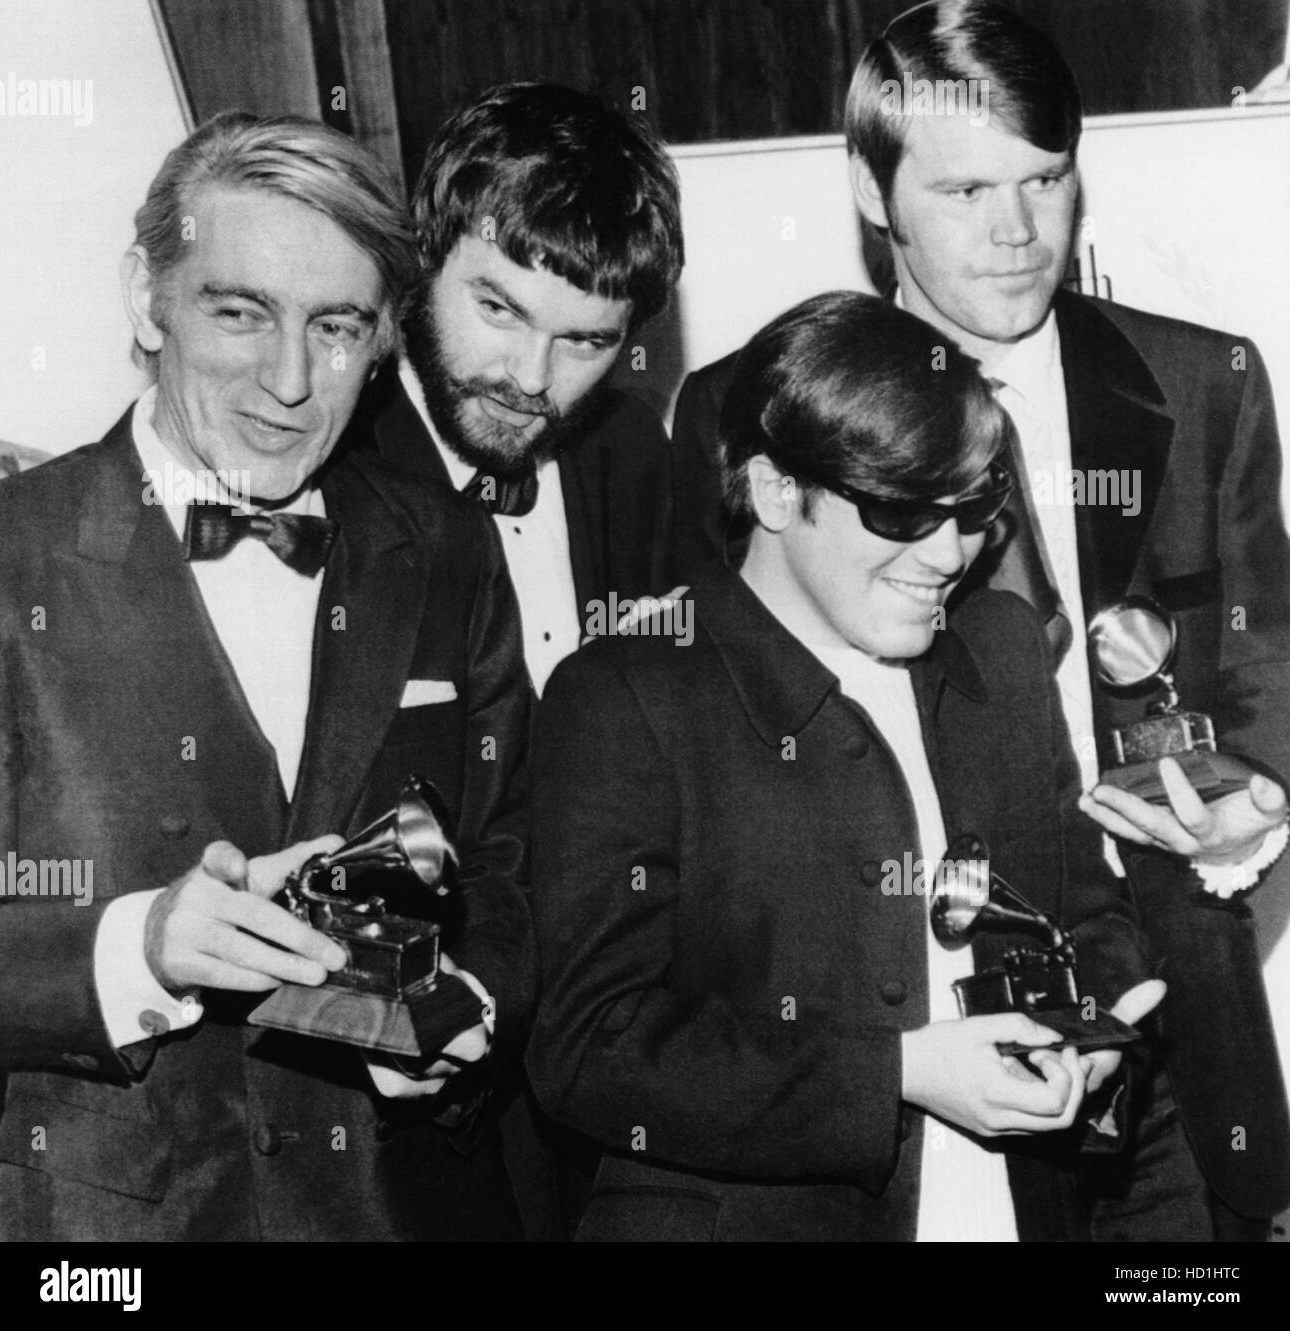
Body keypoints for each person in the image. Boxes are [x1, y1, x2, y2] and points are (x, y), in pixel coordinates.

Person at [670, 0, 1290, 1242]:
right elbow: (702, 740)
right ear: (869, 185)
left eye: (1045, 180)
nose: (1017, 235)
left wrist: (1259, 792)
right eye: (964, 192)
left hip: (1167, 1012)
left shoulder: (1201, 383)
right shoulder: (741, 413)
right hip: (896, 1044)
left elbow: (1265, 657)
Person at [0, 111, 535, 1241]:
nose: (290, 381)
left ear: (386, 337)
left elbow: (512, 855)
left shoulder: (441, 547)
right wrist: (130, 945)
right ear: (147, 296)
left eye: (336, 327)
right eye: (239, 312)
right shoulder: (6, 559)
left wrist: (461, 1010)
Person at [528, 291, 1161, 1242]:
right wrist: (899, 1071)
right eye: (905, 509)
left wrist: (1097, 1035)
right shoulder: (627, 692)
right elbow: (588, 1045)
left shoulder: (999, 649)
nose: (950, 552)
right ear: (778, 490)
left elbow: (1083, 912)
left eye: (976, 504)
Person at [348, 81, 685, 697]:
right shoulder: (336, 463)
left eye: (585, 342)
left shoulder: (633, 452)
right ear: (424, 255)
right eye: (500, 310)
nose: (531, 378)